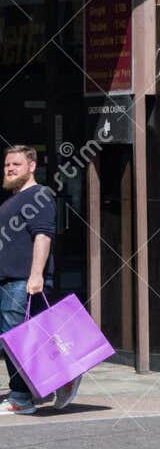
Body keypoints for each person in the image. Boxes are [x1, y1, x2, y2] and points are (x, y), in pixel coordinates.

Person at [0, 145, 76, 414]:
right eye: (7, 164)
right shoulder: (12, 200)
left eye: (16, 164)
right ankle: (62, 377)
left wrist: (35, 275)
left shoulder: (40, 195)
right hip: (9, 282)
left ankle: (21, 398)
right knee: (25, 339)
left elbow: (43, 236)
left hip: (23, 281)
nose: (9, 169)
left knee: (16, 338)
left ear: (31, 166)